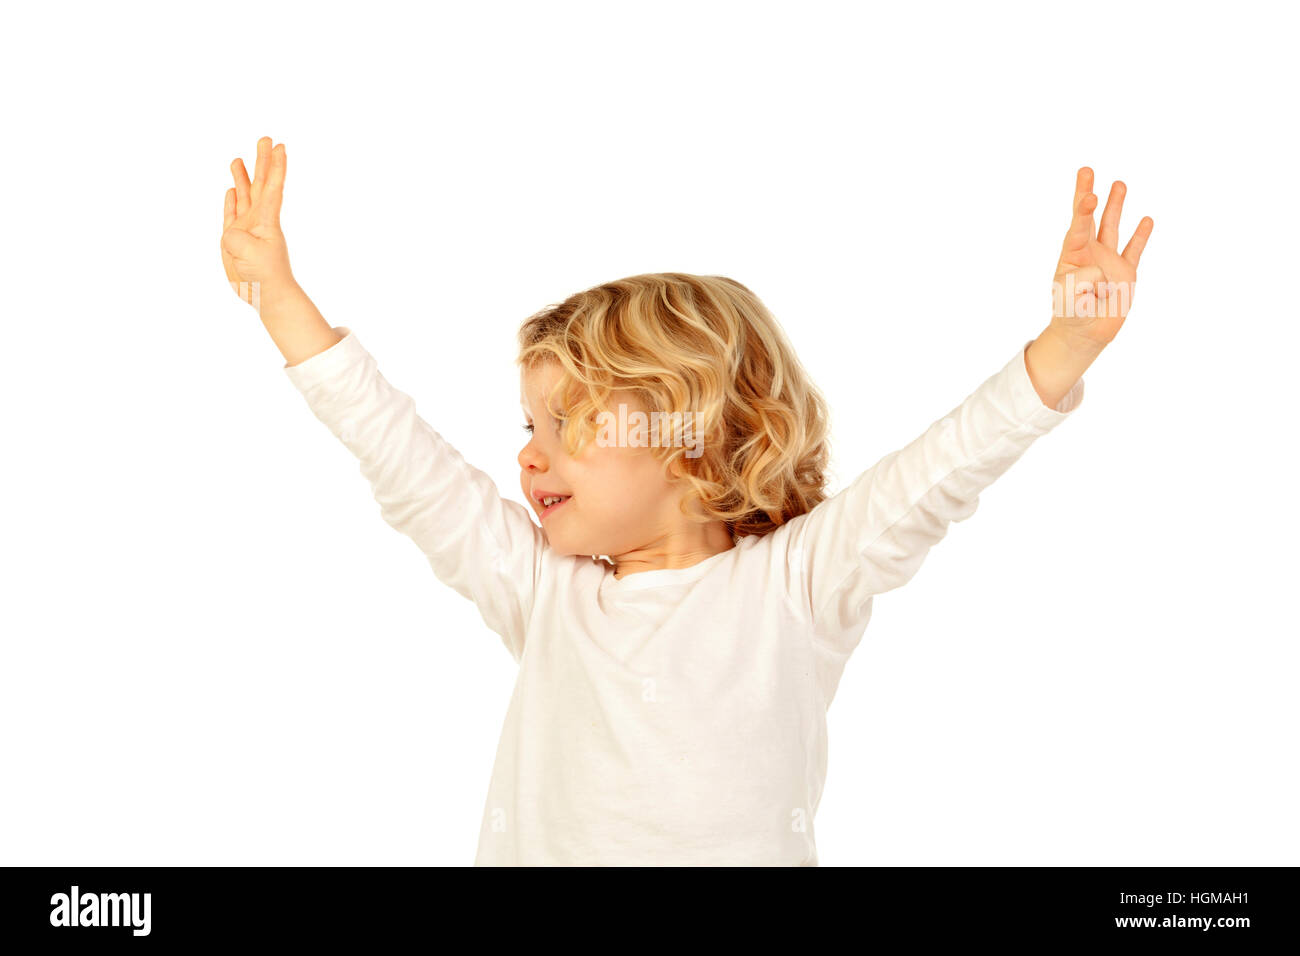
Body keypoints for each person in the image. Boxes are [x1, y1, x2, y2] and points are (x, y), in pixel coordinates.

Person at [220, 136, 1153, 865]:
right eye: (528, 427)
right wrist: (279, 299)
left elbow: (940, 473)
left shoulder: (796, 587)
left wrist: (1067, 344)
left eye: (564, 426)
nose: (529, 459)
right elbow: (401, 456)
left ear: (690, 439)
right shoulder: (545, 593)